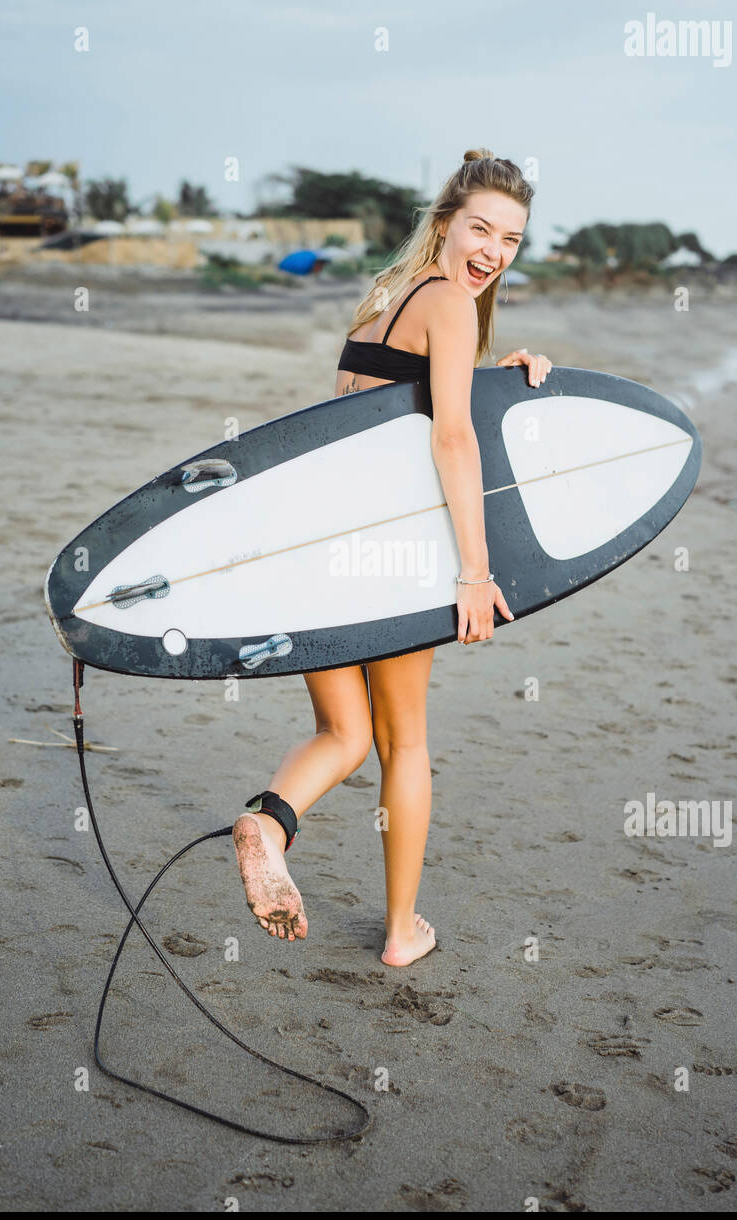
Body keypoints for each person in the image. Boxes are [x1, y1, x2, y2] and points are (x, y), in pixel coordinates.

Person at [232, 148, 552, 967]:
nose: (494, 250)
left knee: (342, 734)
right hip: (388, 550)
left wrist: (505, 376)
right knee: (403, 742)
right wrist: (475, 573)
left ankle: (268, 822)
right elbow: (448, 435)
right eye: (481, 227)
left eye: (511, 240)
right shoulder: (448, 303)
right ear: (446, 222)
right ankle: (402, 931)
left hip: (316, 546)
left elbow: (388, 412)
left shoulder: (381, 298)